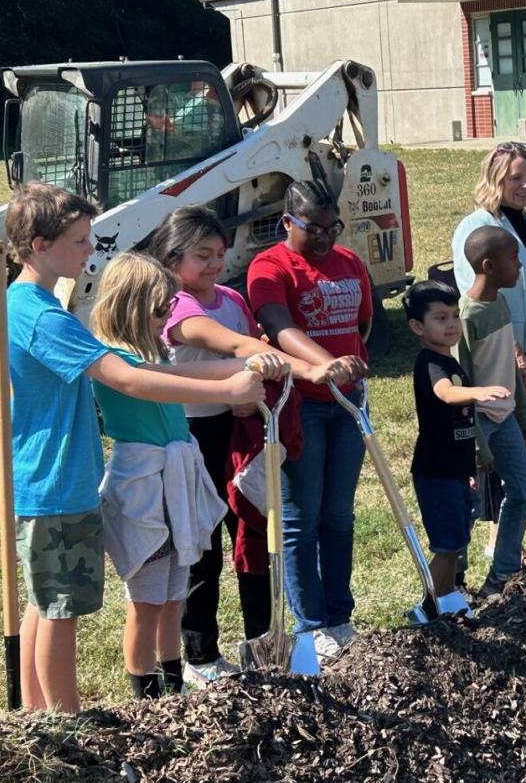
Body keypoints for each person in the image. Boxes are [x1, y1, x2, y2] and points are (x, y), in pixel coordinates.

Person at [4, 182, 264, 714]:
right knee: (62, 609)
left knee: (43, 603)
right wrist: (224, 391)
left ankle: (36, 717)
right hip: (57, 480)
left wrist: (242, 365)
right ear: (38, 245)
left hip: (52, 477)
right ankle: (67, 721)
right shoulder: (42, 315)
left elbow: (149, 370)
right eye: (79, 240)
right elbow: (126, 377)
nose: (88, 250)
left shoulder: (28, 303)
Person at [149, 205, 353, 689]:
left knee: (255, 533)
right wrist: (311, 368)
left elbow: (249, 339)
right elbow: (237, 347)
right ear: (173, 257)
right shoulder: (177, 308)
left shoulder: (228, 297)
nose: (216, 264)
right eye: (203, 256)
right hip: (196, 435)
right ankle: (201, 653)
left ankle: (263, 636)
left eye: (220, 254)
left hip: (242, 428)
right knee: (203, 543)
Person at [88, 253, 290, 698]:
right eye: (160, 311)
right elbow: (171, 381)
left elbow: (187, 369)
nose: (166, 321)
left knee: (174, 593)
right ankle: (146, 695)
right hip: (143, 486)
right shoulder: (115, 361)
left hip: (173, 483)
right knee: (146, 601)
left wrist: (251, 362)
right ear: (133, 306)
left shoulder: (149, 355)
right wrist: (228, 385)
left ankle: (173, 682)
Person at [247, 180, 372, 659]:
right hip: (301, 405)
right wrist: (324, 366)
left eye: (331, 227)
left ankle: (341, 614)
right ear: (287, 222)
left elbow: (363, 324)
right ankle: (311, 623)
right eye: (312, 228)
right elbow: (280, 327)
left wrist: (349, 365)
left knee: (339, 514)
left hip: (348, 404)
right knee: (303, 514)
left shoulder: (349, 263)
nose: (323, 237)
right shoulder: (270, 266)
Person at [452, 143, 526, 529]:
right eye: (516, 177)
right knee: (507, 443)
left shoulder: (521, 222)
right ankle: (500, 536)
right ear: (495, 178)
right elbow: (478, 302)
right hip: (501, 357)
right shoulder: (478, 227)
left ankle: (520, 536)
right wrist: (516, 355)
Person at [403, 279, 510, 619]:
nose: (450, 324)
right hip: (435, 471)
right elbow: (447, 395)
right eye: (440, 318)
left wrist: (473, 468)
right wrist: (477, 392)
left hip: (456, 469)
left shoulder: (450, 361)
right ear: (418, 326)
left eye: (454, 316)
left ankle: (447, 601)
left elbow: (461, 424)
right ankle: (431, 606)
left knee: (455, 541)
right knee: (447, 545)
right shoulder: (431, 363)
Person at [457, 226, 526, 598]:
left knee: (522, 490)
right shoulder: (465, 319)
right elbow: (461, 387)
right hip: (478, 425)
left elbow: (510, 365)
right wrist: (477, 447)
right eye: (513, 259)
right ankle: (450, 582)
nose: (519, 266)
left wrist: (525, 415)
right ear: (488, 265)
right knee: (466, 506)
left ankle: (501, 577)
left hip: (504, 420)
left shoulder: (500, 304)